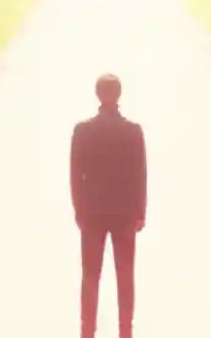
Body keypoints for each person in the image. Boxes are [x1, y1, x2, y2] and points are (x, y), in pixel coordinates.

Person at [70, 73, 147, 338]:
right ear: (119, 95)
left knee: (91, 276)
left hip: (92, 213)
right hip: (124, 212)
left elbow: (75, 174)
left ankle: (87, 329)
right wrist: (140, 212)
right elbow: (140, 174)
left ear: (97, 94)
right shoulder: (133, 131)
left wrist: (78, 209)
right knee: (125, 275)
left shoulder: (83, 131)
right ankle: (125, 329)